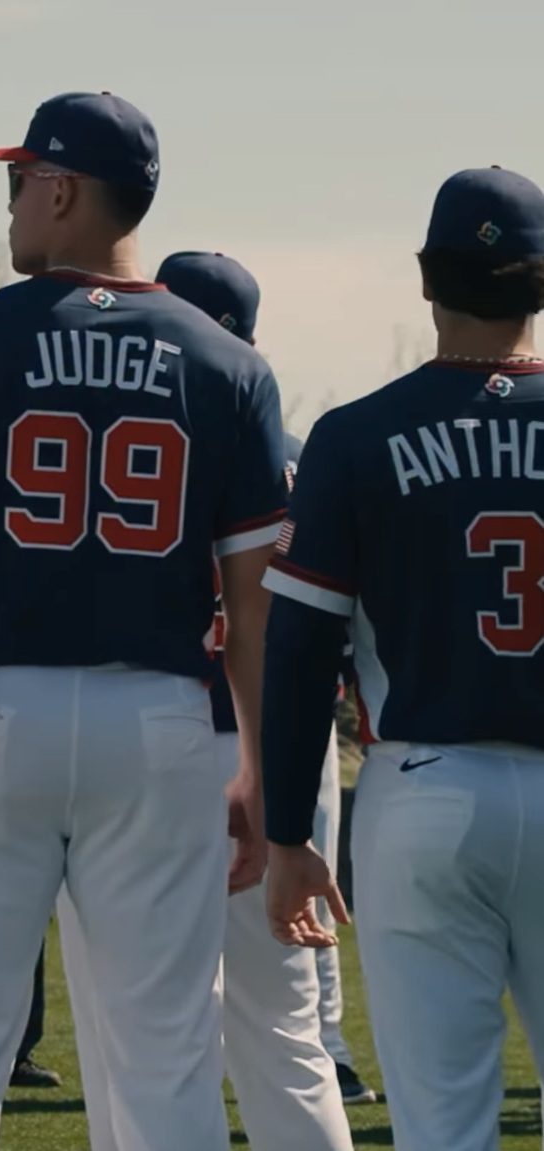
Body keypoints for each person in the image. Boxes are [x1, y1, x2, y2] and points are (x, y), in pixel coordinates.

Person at [0, 92, 289, 1151]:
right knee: (164, 1053)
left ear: (60, 188)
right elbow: (257, 596)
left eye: (16, 183)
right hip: (162, 721)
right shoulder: (230, 363)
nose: (7, 208)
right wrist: (266, 766)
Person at [263, 166, 544, 1151]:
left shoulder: (356, 434)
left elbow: (299, 646)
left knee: (443, 1123)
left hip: (424, 785)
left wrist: (291, 828)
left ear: (428, 277)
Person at [56, 251, 353, 1150]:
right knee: (285, 1033)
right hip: (291, 748)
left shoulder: (119, 423)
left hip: (157, 741)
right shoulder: (303, 457)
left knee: (135, 1031)